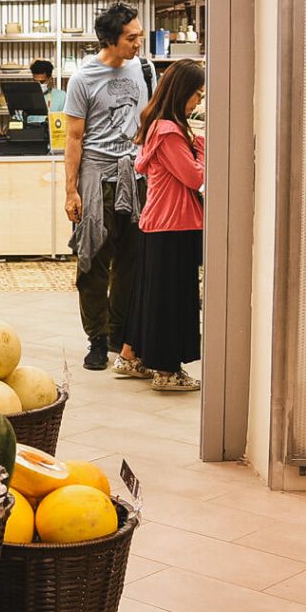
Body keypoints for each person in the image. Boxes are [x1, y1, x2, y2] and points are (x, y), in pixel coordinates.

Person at [64, 3, 150, 371]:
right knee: (93, 263)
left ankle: (119, 334)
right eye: (131, 38)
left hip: (136, 177)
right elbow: (73, 138)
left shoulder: (144, 70)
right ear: (110, 40)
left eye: (139, 36)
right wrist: (71, 191)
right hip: (96, 178)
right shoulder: (83, 78)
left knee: (132, 262)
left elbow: (149, 122)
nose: (137, 43)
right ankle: (96, 340)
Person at [122, 60, 206, 391]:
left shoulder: (161, 127)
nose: (198, 101)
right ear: (182, 92)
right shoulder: (170, 131)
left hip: (161, 222)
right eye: (197, 94)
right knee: (172, 298)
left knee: (152, 295)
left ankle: (131, 355)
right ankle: (167, 370)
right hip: (175, 223)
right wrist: (201, 151)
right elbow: (194, 177)